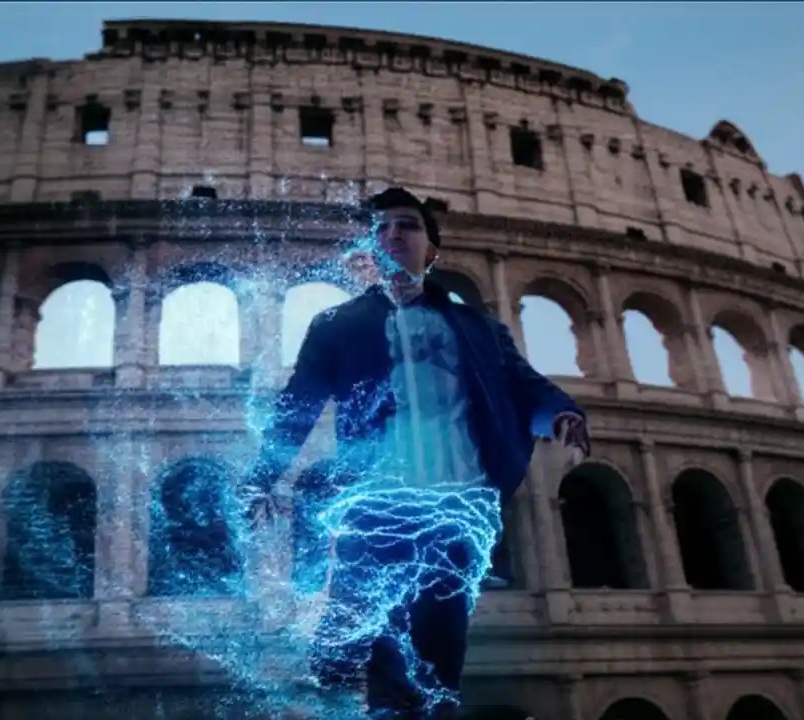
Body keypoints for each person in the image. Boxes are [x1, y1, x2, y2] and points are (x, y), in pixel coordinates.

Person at [244, 187, 589, 718]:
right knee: (382, 661)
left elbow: (527, 388)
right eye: (381, 228)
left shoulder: (477, 327)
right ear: (370, 249)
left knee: (439, 659)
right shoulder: (336, 325)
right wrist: (265, 474)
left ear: (433, 250)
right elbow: (298, 405)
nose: (393, 234)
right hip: (379, 504)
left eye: (407, 225)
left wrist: (562, 415)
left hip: (457, 508)